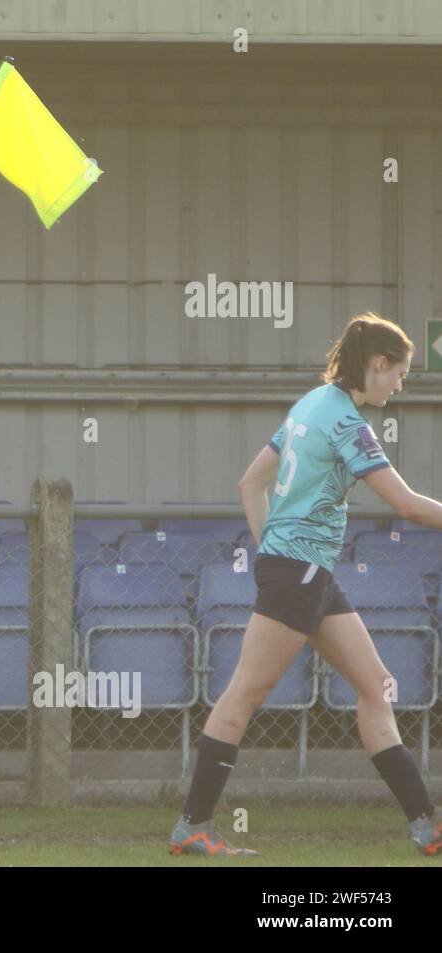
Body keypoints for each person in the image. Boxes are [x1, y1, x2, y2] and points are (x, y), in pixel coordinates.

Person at [171, 313, 441, 857]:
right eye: (400, 374)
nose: (400, 385)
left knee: (375, 685)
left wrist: (271, 547)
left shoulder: (310, 404)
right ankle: (193, 826)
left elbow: (251, 483)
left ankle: (426, 827)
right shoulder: (345, 421)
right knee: (244, 694)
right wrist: (281, 554)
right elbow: (408, 504)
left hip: (305, 570)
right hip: (300, 570)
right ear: (379, 365)